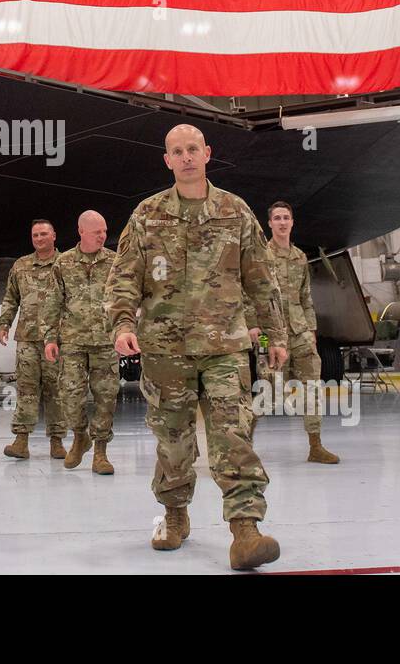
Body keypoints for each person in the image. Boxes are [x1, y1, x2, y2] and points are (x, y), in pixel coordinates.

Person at [106, 124, 289, 570]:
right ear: (167, 160)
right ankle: (174, 514)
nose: (186, 157)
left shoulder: (235, 211)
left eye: (192, 149)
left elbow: (262, 279)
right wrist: (122, 324)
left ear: (207, 153)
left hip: (225, 345)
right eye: (177, 151)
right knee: (172, 438)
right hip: (164, 349)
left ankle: (245, 530)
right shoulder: (147, 214)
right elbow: (124, 277)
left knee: (233, 432)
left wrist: (275, 335)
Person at [247, 201, 339, 464]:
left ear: (292, 222)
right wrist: (253, 324)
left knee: (312, 387)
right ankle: (243, 446)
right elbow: (248, 293)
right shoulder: (261, 256)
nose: (282, 222)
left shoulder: (300, 257)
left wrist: (311, 329)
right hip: (269, 333)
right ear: (269, 224)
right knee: (269, 392)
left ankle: (316, 446)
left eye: (286, 217)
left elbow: (306, 297)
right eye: (277, 218)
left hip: (300, 332)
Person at [42, 211, 119, 474]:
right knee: (70, 395)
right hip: (73, 341)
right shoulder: (63, 263)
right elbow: (52, 302)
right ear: (81, 231)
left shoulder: (115, 262)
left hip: (106, 341)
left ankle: (100, 453)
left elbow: (125, 299)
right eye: (97, 232)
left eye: (105, 231)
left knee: (106, 398)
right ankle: (79, 436)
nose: (103, 236)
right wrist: (49, 338)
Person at [0, 220, 67, 459]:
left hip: (55, 339)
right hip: (27, 338)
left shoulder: (65, 264)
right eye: (35, 235)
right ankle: (21, 441)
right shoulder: (21, 265)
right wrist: (4, 323)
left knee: (55, 390)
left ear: (54, 235)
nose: (39, 238)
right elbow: (11, 297)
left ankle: (57, 441)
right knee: (26, 389)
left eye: (44, 234)